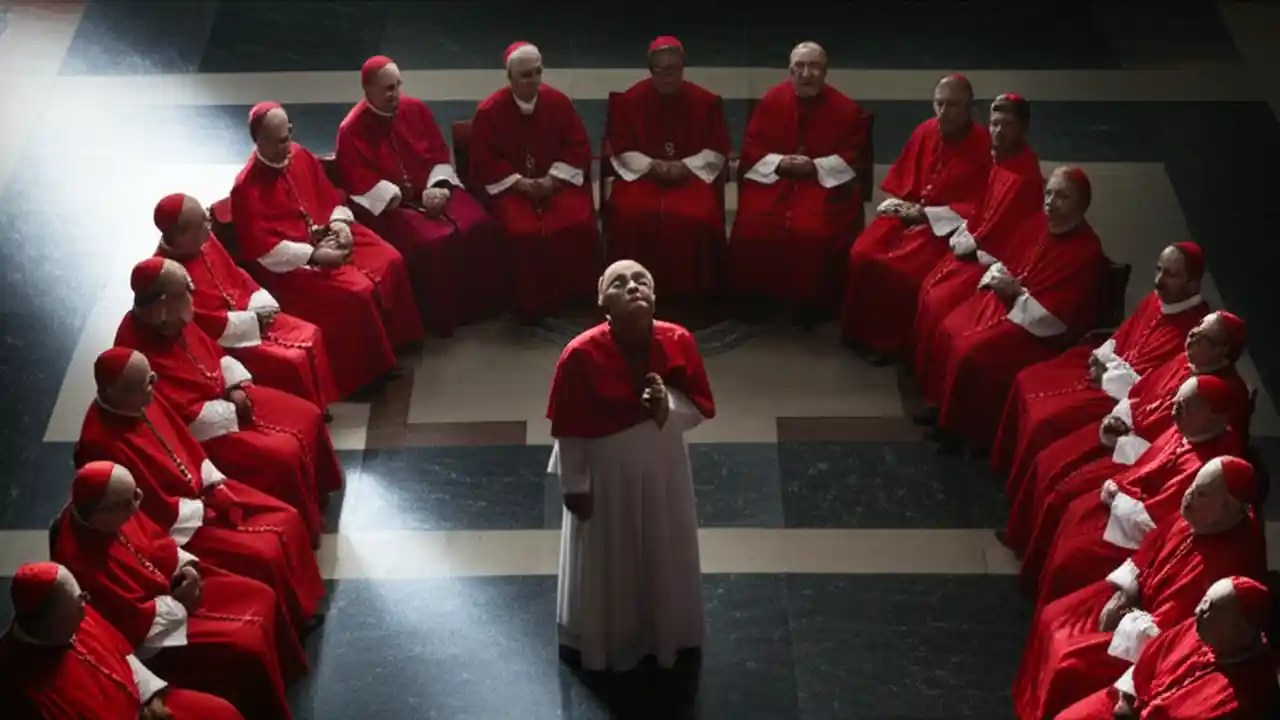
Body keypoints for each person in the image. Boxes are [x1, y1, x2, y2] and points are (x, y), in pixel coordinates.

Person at [76, 347, 325, 628]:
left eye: (152, 379)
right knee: (264, 553)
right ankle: (290, 621)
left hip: (201, 489)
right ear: (112, 393)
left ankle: (303, 605)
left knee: (287, 518)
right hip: (180, 525)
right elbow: (135, 510)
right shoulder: (98, 444)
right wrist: (199, 507)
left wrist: (211, 483)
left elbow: (183, 442)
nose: (152, 390)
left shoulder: (142, 396)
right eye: (143, 386)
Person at [548, 259, 715, 671]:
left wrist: (666, 406)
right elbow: (569, 429)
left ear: (654, 296)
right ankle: (610, 639)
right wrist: (574, 486)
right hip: (607, 477)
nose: (633, 287)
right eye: (619, 282)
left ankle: (667, 632)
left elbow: (698, 407)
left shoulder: (678, 340)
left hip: (663, 470)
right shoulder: (580, 355)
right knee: (610, 557)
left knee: (663, 543)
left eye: (642, 280)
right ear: (601, 298)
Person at [1013, 456, 1266, 719]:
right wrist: (1127, 590)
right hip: (1138, 612)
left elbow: (1169, 631)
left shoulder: (1226, 569)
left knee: (1067, 663)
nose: (1188, 495)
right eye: (1192, 486)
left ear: (1227, 507)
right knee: (1052, 617)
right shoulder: (1196, 517)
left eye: (1200, 493)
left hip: (1138, 636)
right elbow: (1152, 553)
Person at [51, 462, 303, 720]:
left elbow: (158, 542)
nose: (135, 509)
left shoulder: (117, 507)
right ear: (98, 514)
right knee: (246, 644)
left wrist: (187, 567)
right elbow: (130, 623)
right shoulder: (79, 560)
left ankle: (283, 673)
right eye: (126, 504)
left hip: (174, 591)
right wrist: (180, 603)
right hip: (162, 633)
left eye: (136, 497)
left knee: (262, 595)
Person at [115, 258, 342, 542]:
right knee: (283, 455)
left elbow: (213, 353)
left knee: (307, 414)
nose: (191, 298)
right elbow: (175, 416)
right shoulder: (133, 355)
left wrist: (235, 386)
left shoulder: (171, 317)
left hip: (228, 397)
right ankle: (304, 527)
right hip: (210, 431)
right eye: (185, 292)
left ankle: (316, 493)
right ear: (161, 304)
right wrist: (231, 409)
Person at [1004, 311, 1249, 555]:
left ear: (1223, 350)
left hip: (1140, 460)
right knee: (1050, 461)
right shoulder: (1189, 361)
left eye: (1204, 337)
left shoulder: (1224, 398)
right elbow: (1143, 393)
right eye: (1197, 326)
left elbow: (1187, 445)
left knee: (1067, 499)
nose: (1193, 335)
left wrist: (1125, 444)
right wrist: (1120, 420)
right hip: (1132, 445)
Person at [231, 101, 423, 397]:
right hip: (291, 267)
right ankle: (368, 373)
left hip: (328, 234)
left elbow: (330, 198)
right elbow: (264, 251)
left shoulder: (299, 154)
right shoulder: (246, 188)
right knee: (356, 293)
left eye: (290, 133)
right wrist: (315, 255)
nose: (289, 144)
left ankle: (397, 342)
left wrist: (341, 226)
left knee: (390, 259)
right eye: (282, 140)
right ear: (261, 141)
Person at [993, 242, 1210, 492]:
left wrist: (1108, 376)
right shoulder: (1156, 299)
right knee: (1026, 379)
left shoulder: (1194, 333)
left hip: (1121, 398)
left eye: (1170, 275)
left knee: (1044, 419)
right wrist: (1102, 357)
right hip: (1106, 373)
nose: (1158, 280)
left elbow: (1156, 385)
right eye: (1158, 270)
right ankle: (1011, 470)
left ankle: (1025, 486)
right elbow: (1122, 335)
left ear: (1192, 283)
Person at [914, 166, 1102, 453]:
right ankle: (944, 408)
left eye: (1061, 196)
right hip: (1009, 302)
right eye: (1048, 193)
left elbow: (1059, 316)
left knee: (971, 351)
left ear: (1082, 204)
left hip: (1036, 330)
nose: (1050, 202)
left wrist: (1015, 293)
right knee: (950, 326)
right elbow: (1010, 256)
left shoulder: (1087, 250)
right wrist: (1001, 280)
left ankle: (962, 431)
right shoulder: (1040, 222)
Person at [1030, 377, 1249, 603]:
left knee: (1071, 555)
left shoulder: (1208, 467)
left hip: (1132, 532)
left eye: (1185, 407)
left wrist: (1117, 498)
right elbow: (1150, 464)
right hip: (1127, 504)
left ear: (1214, 418)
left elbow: (1156, 520)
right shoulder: (1191, 428)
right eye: (1177, 402)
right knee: (1071, 507)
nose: (1174, 411)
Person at [335, 55, 501, 336]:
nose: (395, 94)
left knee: (477, 223)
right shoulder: (351, 129)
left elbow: (437, 151)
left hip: (433, 190)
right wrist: (399, 197)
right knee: (431, 243)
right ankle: (444, 320)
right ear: (369, 90)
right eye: (388, 89)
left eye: (397, 85)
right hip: (392, 207)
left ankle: (483, 307)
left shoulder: (415, 109)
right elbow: (358, 180)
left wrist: (437, 187)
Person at [840, 74, 991, 356]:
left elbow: (982, 206)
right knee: (862, 252)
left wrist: (928, 215)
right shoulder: (925, 131)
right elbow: (898, 182)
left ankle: (890, 345)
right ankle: (858, 331)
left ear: (970, 107)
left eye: (953, 105)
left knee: (900, 271)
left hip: (945, 228)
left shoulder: (984, 145)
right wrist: (898, 207)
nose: (944, 112)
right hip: (907, 217)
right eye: (939, 104)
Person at [153, 192, 339, 409]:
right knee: (293, 360)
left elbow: (235, 274)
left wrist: (258, 304)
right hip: (230, 340)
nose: (209, 224)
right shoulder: (168, 276)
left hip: (249, 311)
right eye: (202, 223)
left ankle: (321, 404)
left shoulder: (203, 239)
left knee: (312, 333)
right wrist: (252, 322)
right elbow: (199, 323)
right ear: (181, 236)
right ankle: (306, 409)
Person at [728, 42, 870, 323]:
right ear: (790, 70)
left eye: (813, 66)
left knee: (813, 232)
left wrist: (814, 166)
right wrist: (780, 163)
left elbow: (854, 156)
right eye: (799, 67)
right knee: (753, 227)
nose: (806, 73)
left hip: (822, 186)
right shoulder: (771, 101)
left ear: (825, 71)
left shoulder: (846, 109)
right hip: (777, 180)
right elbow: (752, 147)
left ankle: (812, 305)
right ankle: (758, 299)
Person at [0, 562, 245, 720]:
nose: (86, 606)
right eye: (79, 601)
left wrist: (150, 696)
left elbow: (123, 654)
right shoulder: (21, 691)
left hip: (149, 706)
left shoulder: (72, 619)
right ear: (49, 619)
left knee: (224, 713)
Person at [907, 93, 1044, 373]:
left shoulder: (1023, 176)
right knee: (929, 288)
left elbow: (1002, 233)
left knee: (939, 302)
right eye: (994, 124)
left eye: (1007, 124)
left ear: (1023, 128)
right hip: (975, 244)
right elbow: (982, 209)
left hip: (997, 260)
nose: (998, 131)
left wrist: (965, 242)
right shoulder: (1002, 160)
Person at [470, 41, 600, 322]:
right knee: (522, 232)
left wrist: (553, 179)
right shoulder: (489, 112)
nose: (533, 81)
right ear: (510, 78)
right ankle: (527, 304)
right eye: (525, 75)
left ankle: (573, 297)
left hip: (556, 184)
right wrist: (520, 183)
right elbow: (483, 160)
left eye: (537, 72)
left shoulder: (558, 103)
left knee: (575, 223)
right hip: (512, 190)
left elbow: (577, 146)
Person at [603, 36, 730, 299]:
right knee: (630, 215)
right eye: (660, 71)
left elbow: (716, 147)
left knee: (698, 217)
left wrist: (684, 166)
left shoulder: (706, 102)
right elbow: (619, 144)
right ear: (651, 71)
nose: (667, 77)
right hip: (643, 177)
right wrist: (652, 165)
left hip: (690, 177)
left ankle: (693, 294)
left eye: (673, 70)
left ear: (683, 68)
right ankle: (628, 291)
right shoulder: (629, 101)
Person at [1057, 577, 1278, 719]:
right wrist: (1126, 698)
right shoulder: (1201, 630)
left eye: (1211, 609)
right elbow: (1149, 661)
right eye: (1203, 602)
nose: (1197, 612)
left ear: (1239, 630)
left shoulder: (1247, 695)